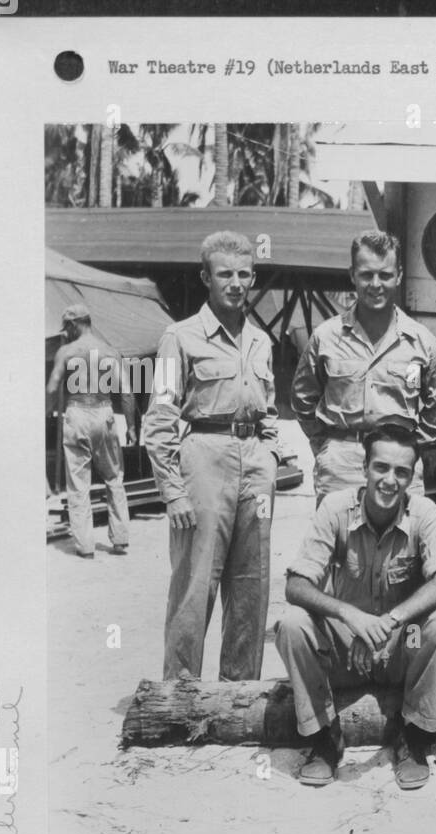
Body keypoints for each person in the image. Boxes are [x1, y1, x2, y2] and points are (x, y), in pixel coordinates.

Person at [275, 426, 436, 790]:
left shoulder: (424, 512)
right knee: (292, 624)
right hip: (347, 650)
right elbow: (296, 584)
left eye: (401, 472)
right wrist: (350, 616)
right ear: (365, 469)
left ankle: (413, 735)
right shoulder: (336, 508)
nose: (390, 480)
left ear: (412, 477)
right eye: (381, 468)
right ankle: (325, 736)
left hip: (399, 648)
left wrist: (392, 622)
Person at [143, 231, 279, 681]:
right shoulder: (178, 337)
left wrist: (272, 456)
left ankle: (239, 694)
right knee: (194, 581)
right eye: (225, 274)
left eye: (244, 274)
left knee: (252, 583)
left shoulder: (261, 342)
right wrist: (172, 491)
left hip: (255, 461)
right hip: (204, 456)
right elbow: (159, 418)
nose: (236, 283)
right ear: (206, 277)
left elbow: (271, 409)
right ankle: (180, 695)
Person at [292, 230, 436, 504]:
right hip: (342, 462)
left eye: (385, 275)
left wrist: (409, 450)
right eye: (366, 274)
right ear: (352, 275)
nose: (376, 284)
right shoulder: (326, 337)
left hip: (398, 465)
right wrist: (326, 446)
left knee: (400, 543)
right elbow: (303, 400)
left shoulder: (422, 342)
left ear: (398, 275)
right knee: (339, 542)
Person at [46, 304, 135, 558]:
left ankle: (85, 547)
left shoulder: (67, 351)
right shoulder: (109, 351)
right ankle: (119, 540)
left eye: (68, 328)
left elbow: (53, 388)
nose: (67, 333)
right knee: (114, 478)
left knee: (78, 484)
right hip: (104, 412)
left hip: (77, 411)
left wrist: (42, 416)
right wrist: (130, 426)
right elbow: (127, 392)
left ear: (74, 325)